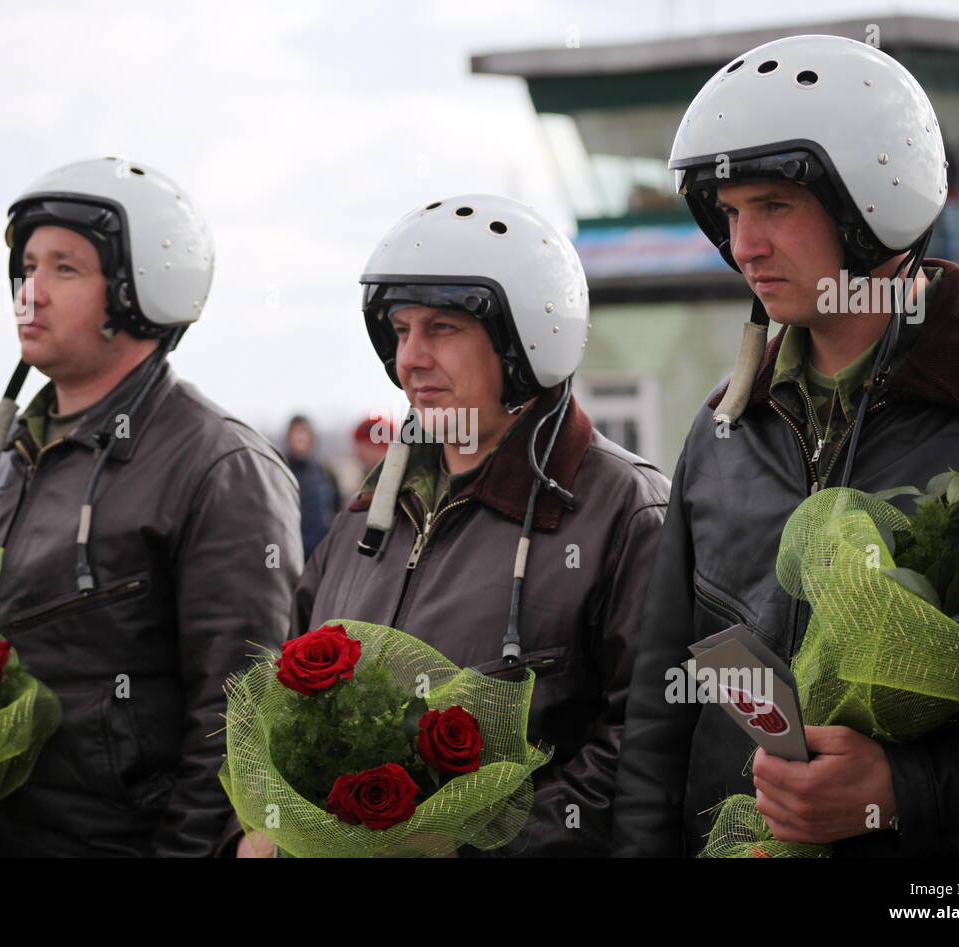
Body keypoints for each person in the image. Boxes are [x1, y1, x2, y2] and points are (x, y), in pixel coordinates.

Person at [612, 34, 959, 857]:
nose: (743, 245)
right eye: (729, 212)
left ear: (873, 203)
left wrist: (903, 792)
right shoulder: (720, 428)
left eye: (774, 206)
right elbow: (659, 713)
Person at [240, 194, 670, 856]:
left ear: (527, 340)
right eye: (400, 328)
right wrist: (272, 820)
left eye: (442, 328)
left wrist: (477, 848)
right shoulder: (366, 516)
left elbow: (644, 752)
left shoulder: (626, 511)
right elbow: (288, 697)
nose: (410, 357)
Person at [0, 157, 302, 856]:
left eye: (64, 270)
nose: (30, 293)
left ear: (142, 291)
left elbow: (238, 719)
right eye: (27, 266)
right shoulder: (2, 462)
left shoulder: (219, 467)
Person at [284, 414, 342, 560]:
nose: (300, 437)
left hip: (320, 553)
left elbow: (336, 507)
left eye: (303, 432)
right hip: (290, 552)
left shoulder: (324, 471)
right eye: (295, 432)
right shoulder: (281, 470)